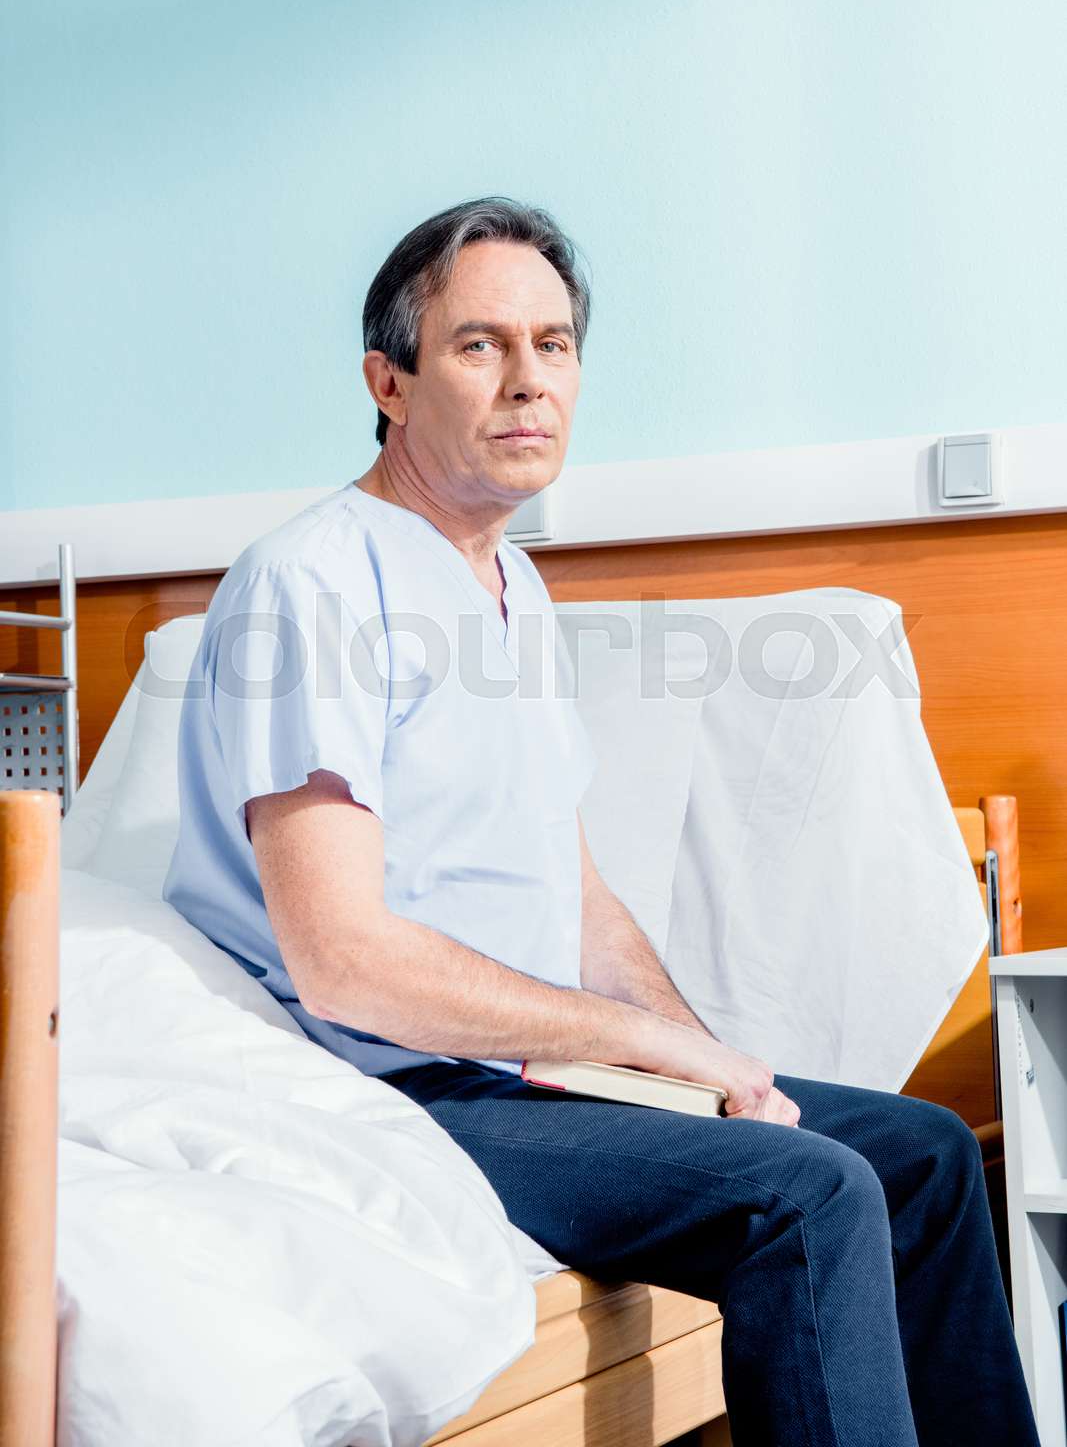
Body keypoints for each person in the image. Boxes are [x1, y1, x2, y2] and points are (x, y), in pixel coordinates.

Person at [164, 196, 1039, 1446]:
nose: (529, 382)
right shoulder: (309, 580)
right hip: (398, 1086)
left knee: (928, 1155)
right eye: (479, 345)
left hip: (536, 1071)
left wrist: (709, 1061)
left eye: (554, 344)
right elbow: (341, 959)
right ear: (389, 382)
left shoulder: (508, 582)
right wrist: (638, 1045)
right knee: (811, 1198)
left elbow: (574, 900)